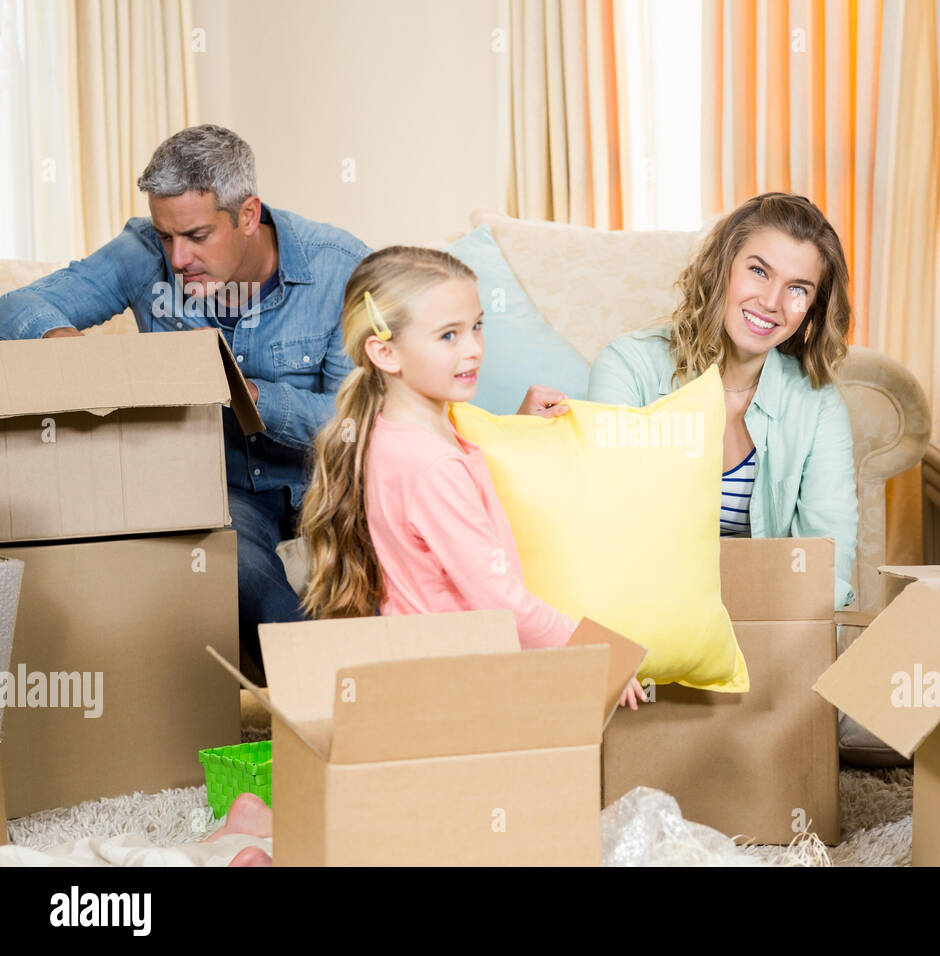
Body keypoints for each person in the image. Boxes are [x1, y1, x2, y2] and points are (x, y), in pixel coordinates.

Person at [0, 125, 371, 670]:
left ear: (247, 215)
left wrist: (246, 394)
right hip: (222, 491)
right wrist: (68, 347)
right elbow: (17, 305)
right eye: (166, 235)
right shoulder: (142, 252)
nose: (176, 258)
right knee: (235, 562)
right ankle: (324, 693)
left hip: (326, 483)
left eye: (196, 236)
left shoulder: (339, 266)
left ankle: (362, 691)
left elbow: (355, 421)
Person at [296, 246, 648, 700]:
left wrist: (519, 425)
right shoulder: (434, 467)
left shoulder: (396, 428)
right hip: (461, 685)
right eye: (448, 336)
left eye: (477, 326)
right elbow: (499, 601)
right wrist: (596, 651)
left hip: (426, 667)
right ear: (385, 352)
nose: (474, 350)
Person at [587, 192, 858, 609]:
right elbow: (607, 525)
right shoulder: (629, 367)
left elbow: (827, 563)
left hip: (765, 618)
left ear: (813, 308)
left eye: (798, 288)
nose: (771, 302)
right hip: (646, 613)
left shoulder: (817, 403)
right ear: (722, 267)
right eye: (758, 271)